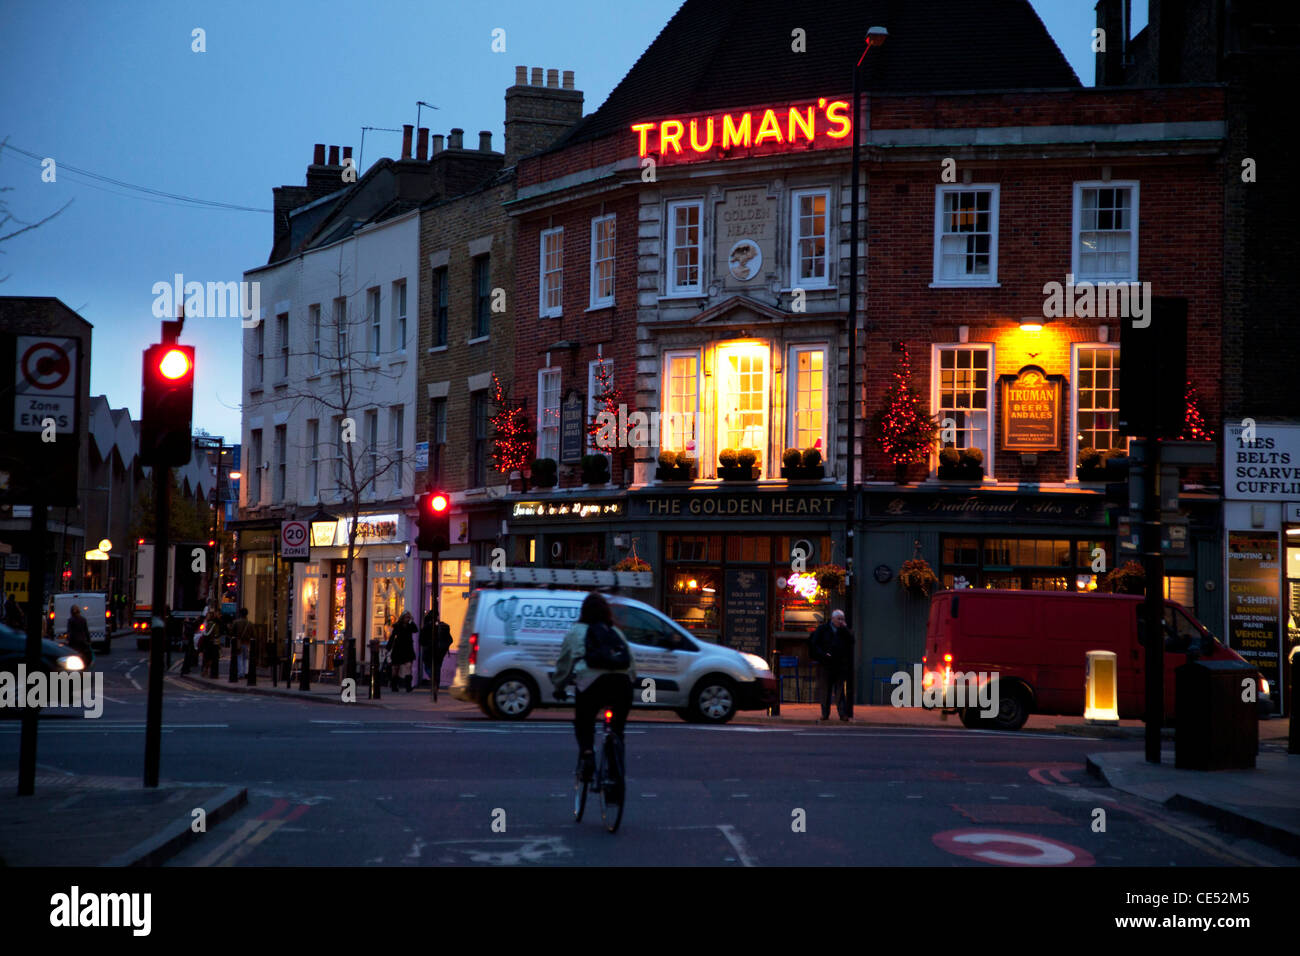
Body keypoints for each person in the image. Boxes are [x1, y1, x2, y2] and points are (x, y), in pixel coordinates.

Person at [550, 593, 636, 783]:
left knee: (584, 720)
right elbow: (632, 663)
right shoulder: (615, 632)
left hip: (591, 684)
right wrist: (632, 681)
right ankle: (616, 776)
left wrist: (559, 687)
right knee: (617, 730)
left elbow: (564, 664)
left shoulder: (576, 631)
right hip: (622, 684)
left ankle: (587, 754)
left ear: (583, 612)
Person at [810, 609, 854, 721]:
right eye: (839, 619)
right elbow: (814, 644)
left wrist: (845, 628)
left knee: (840, 690)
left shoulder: (843, 630)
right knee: (825, 690)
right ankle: (825, 714)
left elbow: (851, 641)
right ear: (833, 619)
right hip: (826, 664)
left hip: (840, 664)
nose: (840, 621)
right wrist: (823, 654)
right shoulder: (823, 629)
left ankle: (842, 714)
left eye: (842, 619)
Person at [388, 611, 418, 692]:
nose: (407, 619)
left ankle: (408, 686)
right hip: (398, 649)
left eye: (409, 617)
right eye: (406, 617)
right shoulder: (397, 626)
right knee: (396, 668)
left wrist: (412, 621)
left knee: (408, 666)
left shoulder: (410, 626)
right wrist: (389, 647)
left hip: (408, 649)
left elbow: (416, 630)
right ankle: (394, 686)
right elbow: (392, 637)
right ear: (402, 618)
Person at [231, 608, 254, 680]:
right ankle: (246, 672)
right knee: (246, 658)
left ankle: (241, 673)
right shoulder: (250, 624)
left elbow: (232, 632)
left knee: (239, 657)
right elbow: (254, 634)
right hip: (247, 643)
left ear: (240, 614)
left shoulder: (236, 622)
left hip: (239, 642)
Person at [418, 610, 435, 688]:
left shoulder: (425, 626)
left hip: (427, 647)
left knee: (427, 665)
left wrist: (423, 643)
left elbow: (421, 639)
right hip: (435, 647)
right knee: (434, 665)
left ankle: (432, 677)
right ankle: (434, 678)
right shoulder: (437, 626)